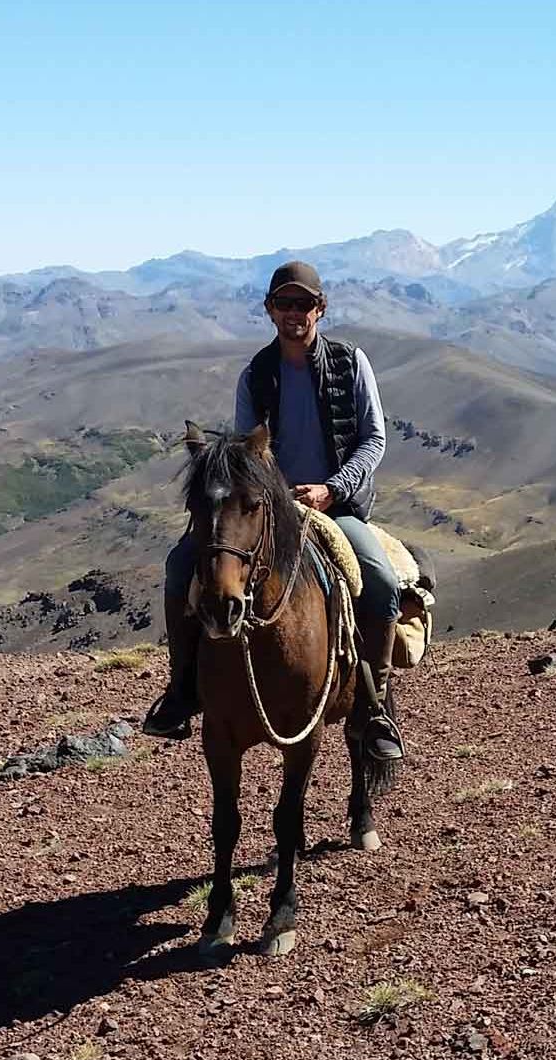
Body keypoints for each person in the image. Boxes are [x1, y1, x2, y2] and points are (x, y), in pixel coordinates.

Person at [143, 260, 405, 762]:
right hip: (270, 508)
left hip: (336, 505)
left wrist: (332, 489)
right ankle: (181, 693)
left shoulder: (352, 363)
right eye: (283, 304)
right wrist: (273, 498)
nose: (293, 313)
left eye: (303, 303)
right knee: (181, 567)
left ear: (320, 309)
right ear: (269, 309)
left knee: (380, 581)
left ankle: (373, 707)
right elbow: (245, 456)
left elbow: (373, 440)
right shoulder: (256, 375)